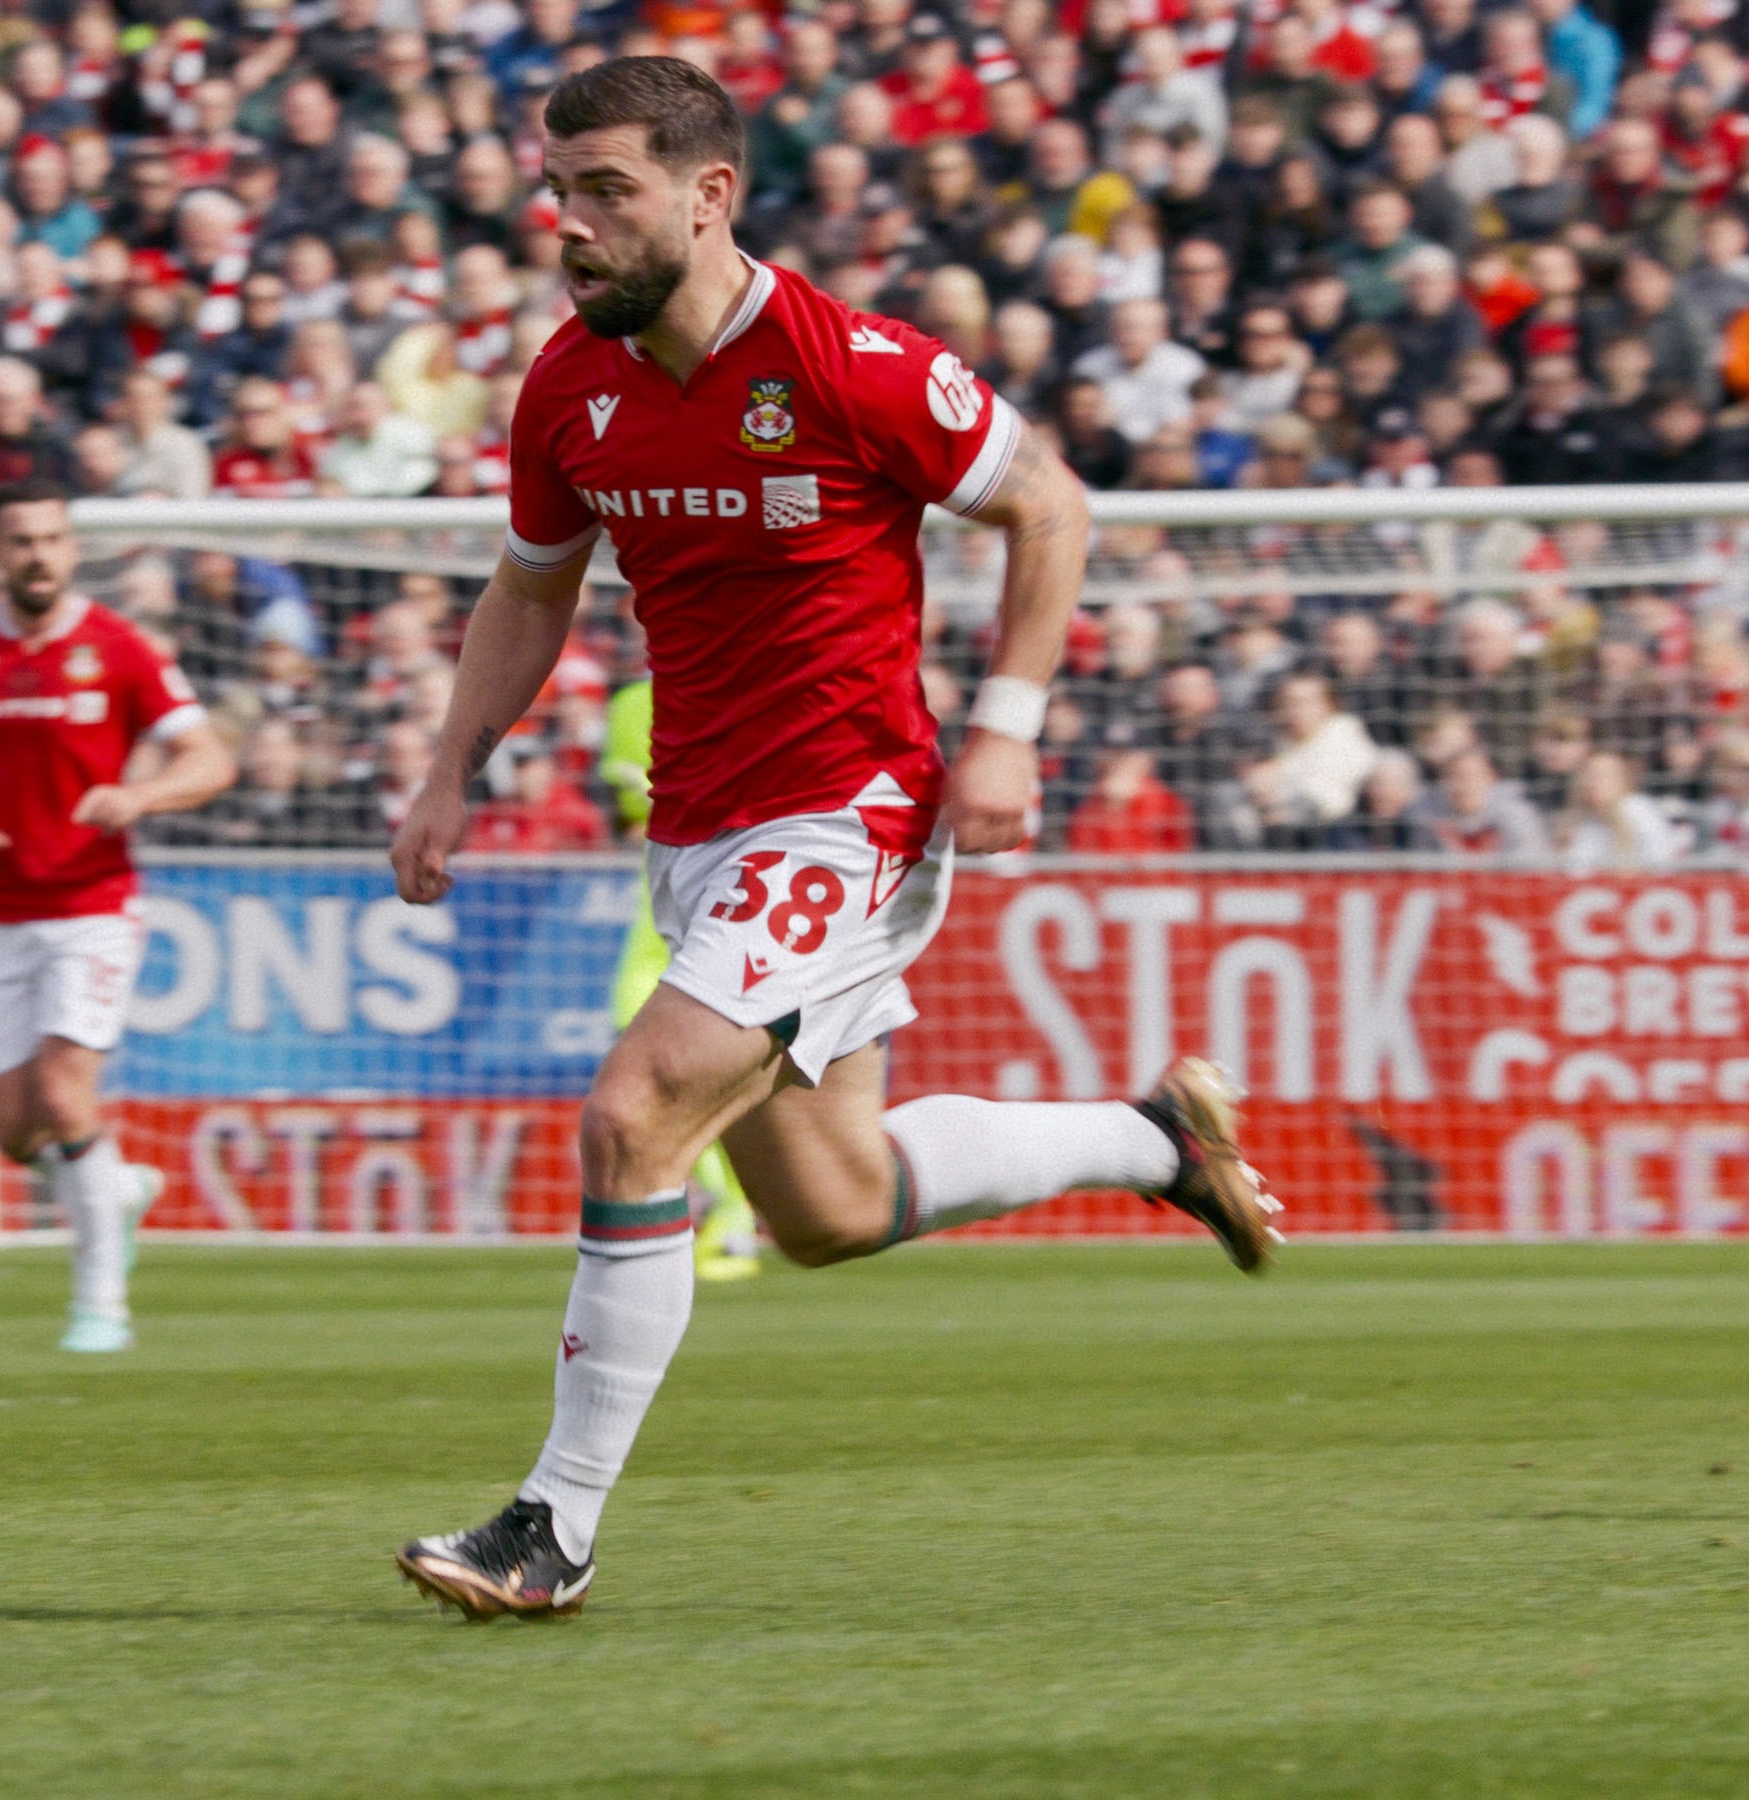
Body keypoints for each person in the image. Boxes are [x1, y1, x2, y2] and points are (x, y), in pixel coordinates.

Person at [388, 59, 1277, 1623]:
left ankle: (553, 1527)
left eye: (607, 191)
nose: (570, 226)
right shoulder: (566, 389)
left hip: (851, 809)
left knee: (634, 1111)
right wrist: (454, 764)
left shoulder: (852, 365)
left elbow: (1050, 504)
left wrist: (1007, 721)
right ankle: (1157, 1141)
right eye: (559, 192)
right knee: (832, 1210)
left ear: (708, 195)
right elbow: (531, 589)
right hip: (706, 828)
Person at [0, 480, 238, 1354]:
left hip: (94, 905)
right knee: (17, 1134)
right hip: (2, 914)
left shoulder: (118, 647)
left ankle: (102, 1304)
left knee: (67, 1094)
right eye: (22, 540)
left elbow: (211, 760)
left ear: (71, 549)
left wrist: (139, 795)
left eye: (53, 539)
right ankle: (115, 1189)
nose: (38, 555)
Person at [599, 676, 760, 1282]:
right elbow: (631, 816)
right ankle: (725, 1213)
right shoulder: (631, 704)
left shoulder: (646, 704)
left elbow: (633, 812)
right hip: (671, 898)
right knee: (651, 1061)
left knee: (681, 1066)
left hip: (718, 895)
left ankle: (734, 1216)